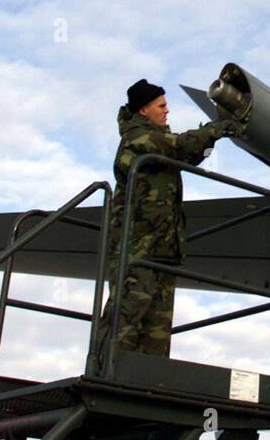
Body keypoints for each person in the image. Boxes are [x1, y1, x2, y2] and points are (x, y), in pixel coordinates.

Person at [99, 78, 243, 358]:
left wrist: (214, 136)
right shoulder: (138, 138)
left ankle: (148, 386)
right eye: (161, 106)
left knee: (156, 336)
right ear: (144, 110)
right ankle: (104, 375)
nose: (167, 111)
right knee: (125, 326)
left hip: (162, 251)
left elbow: (189, 155)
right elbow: (179, 146)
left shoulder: (155, 142)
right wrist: (217, 128)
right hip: (137, 252)